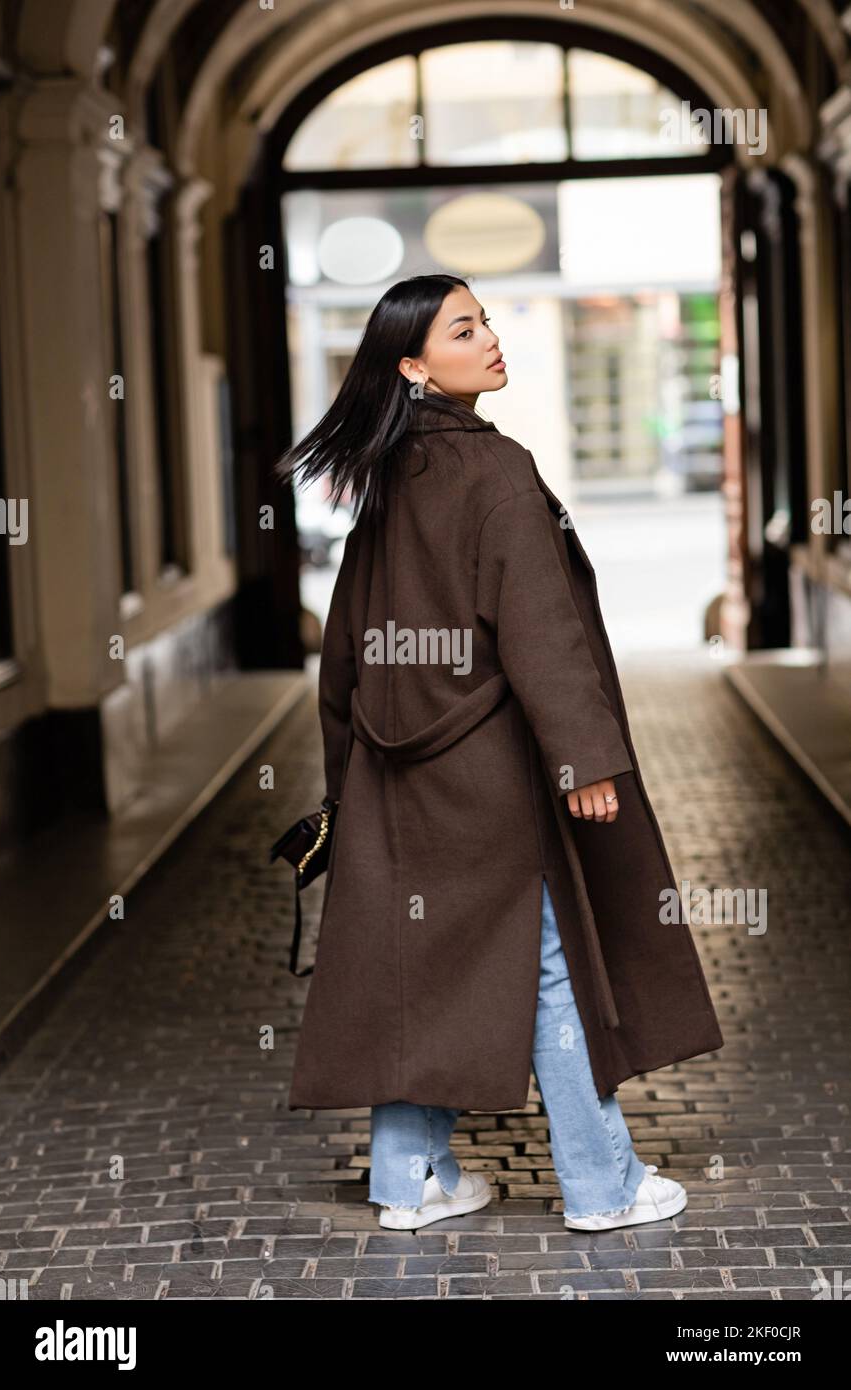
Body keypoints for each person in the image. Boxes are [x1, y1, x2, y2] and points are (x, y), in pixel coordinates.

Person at [274, 272, 723, 1233]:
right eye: (464, 329)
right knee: (549, 962)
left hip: (402, 777)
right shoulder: (497, 470)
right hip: (491, 774)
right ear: (412, 364)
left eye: (485, 322)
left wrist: (345, 775)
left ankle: (410, 1180)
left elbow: (345, 649)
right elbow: (540, 630)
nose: (490, 339)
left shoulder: (387, 479)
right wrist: (586, 757)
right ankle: (602, 1184)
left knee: (420, 964)